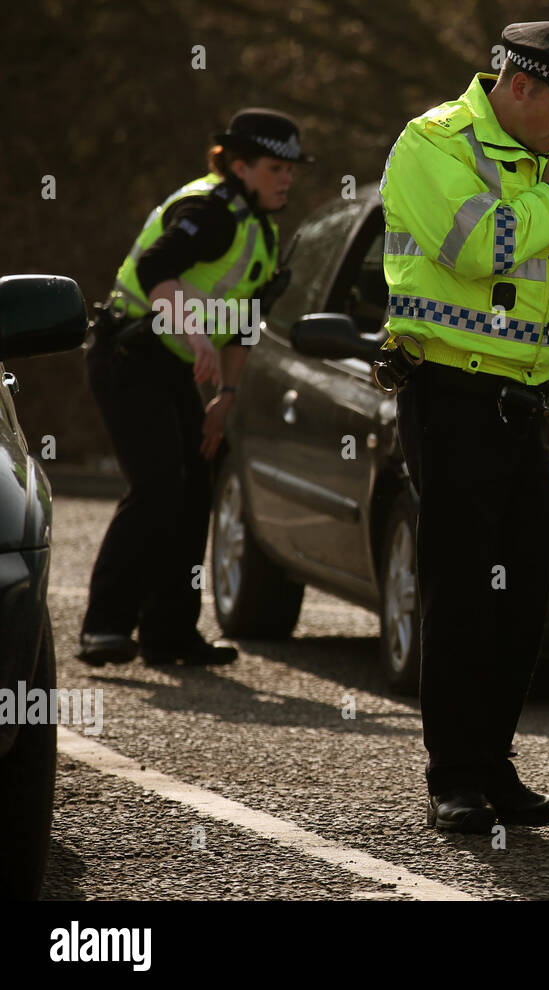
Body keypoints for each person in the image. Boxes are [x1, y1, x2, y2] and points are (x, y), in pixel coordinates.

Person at [381, 20, 549, 832]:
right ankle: (451, 775)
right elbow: (473, 250)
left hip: (529, 401)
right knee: (461, 593)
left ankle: (495, 767)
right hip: (452, 398)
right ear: (518, 85)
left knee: (523, 599)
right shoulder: (434, 143)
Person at [78, 109, 310, 667]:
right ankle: (103, 627)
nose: (287, 179)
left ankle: (169, 634)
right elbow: (156, 270)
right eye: (275, 167)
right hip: (129, 356)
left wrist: (225, 399)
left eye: (292, 168)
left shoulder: (262, 232)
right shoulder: (210, 211)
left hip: (171, 367)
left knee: (193, 493)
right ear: (238, 165)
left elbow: (245, 326)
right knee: (157, 486)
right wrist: (195, 335)